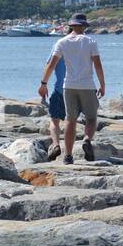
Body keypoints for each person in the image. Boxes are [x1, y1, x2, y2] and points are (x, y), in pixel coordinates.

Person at [39, 13, 105, 164]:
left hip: (68, 85)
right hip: (87, 85)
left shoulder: (62, 42)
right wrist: (102, 84)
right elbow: (98, 65)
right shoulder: (90, 41)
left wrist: (43, 83)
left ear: (71, 26)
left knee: (70, 120)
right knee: (91, 118)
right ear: (84, 26)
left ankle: (68, 156)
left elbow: (51, 65)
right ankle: (87, 139)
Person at [44, 26, 71, 161]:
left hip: (60, 88)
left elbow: (50, 64)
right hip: (78, 89)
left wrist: (43, 84)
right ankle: (68, 153)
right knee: (70, 121)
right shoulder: (86, 44)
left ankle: (56, 144)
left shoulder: (59, 44)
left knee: (54, 120)